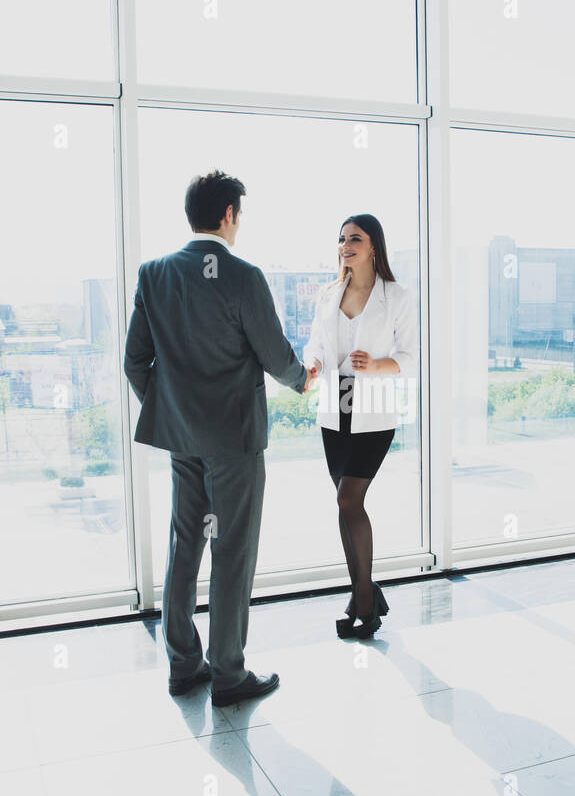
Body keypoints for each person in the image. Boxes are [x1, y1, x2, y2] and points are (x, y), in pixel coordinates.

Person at [124, 170, 315, 707]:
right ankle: (229, 674)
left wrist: (174, 412)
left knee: (186, 543)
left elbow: (134, 362)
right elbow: (275, 355)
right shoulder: (243, 276)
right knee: (231, 549)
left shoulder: (154, 274)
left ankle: (184, 665)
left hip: (183, 440)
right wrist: (303, 378)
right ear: (229, 214)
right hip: (234, 440)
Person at [302, 214, 417, 639]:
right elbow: (316, 342)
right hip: (335, 406)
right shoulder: (328, 294)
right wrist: (313, 362)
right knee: (343, 502)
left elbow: (413, 355)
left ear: (373, 247)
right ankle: (362, 592)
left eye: (355, 238)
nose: (345, 245)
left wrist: (379, 364)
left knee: (350, 499)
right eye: (341, 239)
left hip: (375, 408)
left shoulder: (398, 295)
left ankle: (365, 602)